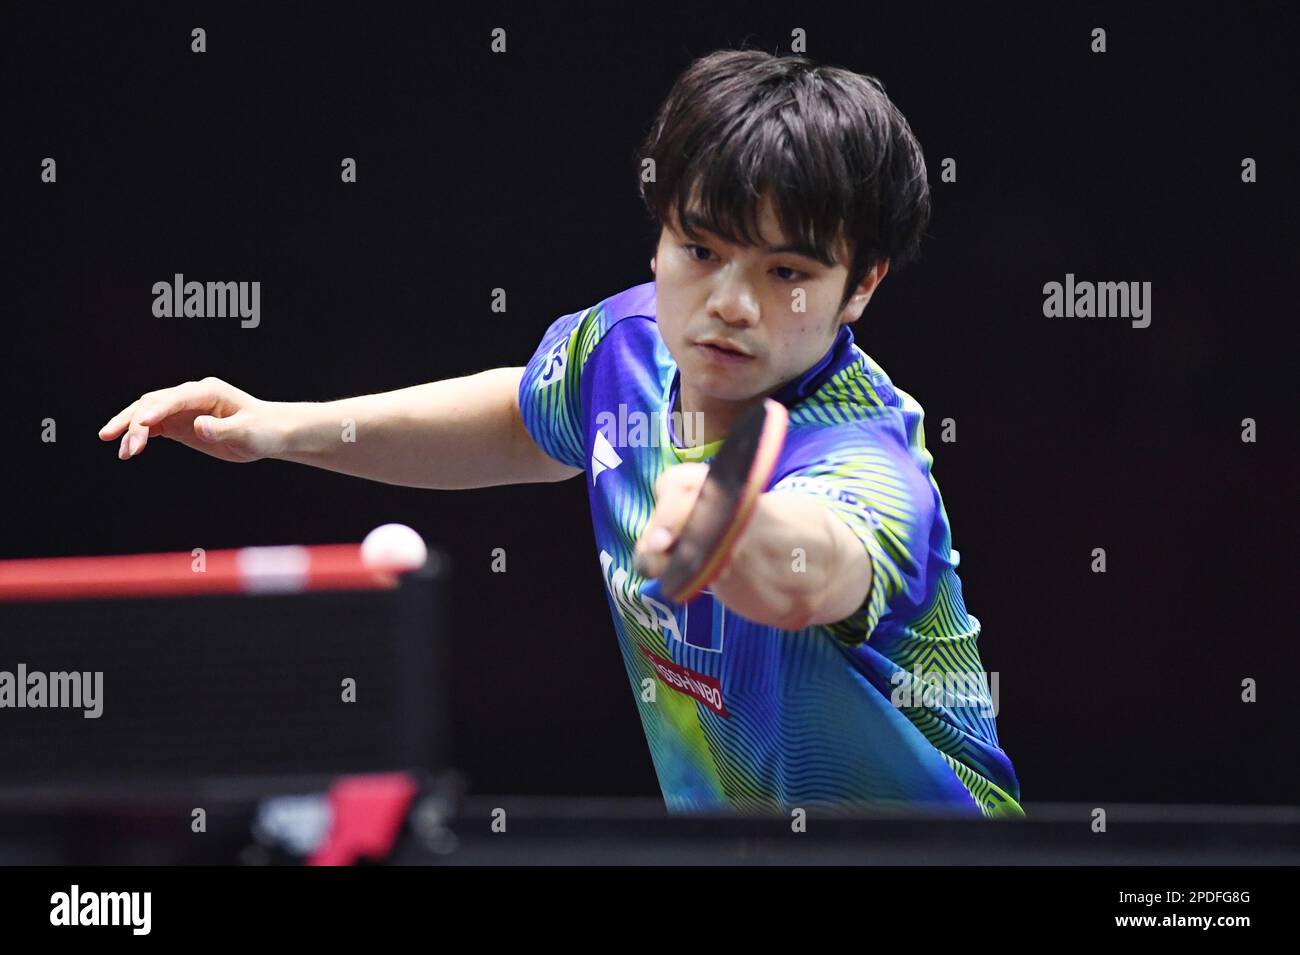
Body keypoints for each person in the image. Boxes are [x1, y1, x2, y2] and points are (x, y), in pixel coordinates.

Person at [100, 48, 1022, 817]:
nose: (730, 304)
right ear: (659, 238)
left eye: (787, 271)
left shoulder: (866, 456)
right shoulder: (624, 349)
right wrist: (276, 427)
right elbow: (518, 421)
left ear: (860, 286)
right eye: (700, 250)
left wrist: (732, 528)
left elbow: (817, 566)